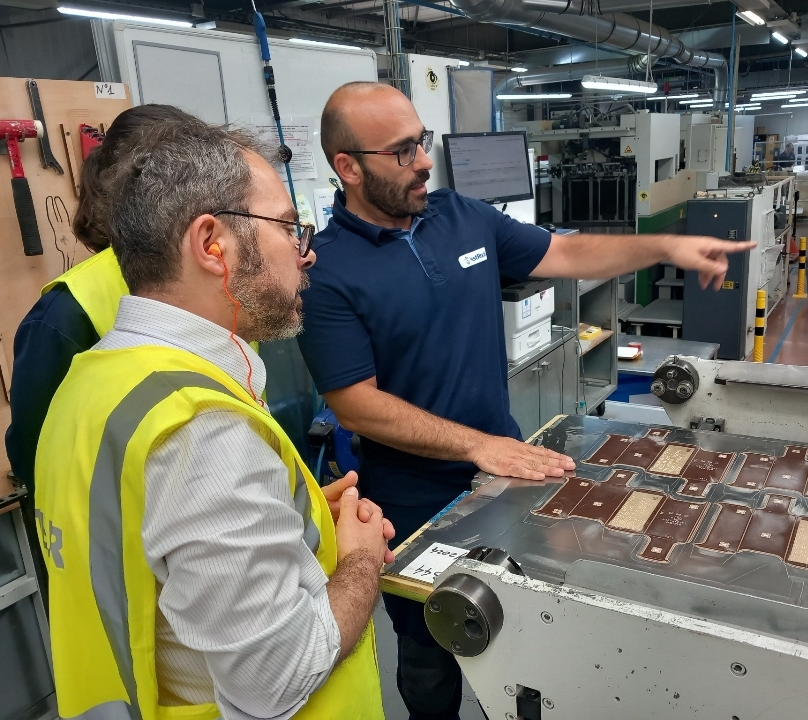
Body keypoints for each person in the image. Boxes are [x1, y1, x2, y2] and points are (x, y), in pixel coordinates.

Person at [297, 81, 755, 720]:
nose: (424, 161)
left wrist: (665, 245)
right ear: (348, 167)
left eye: (421, 141)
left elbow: (564, 252)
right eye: (402, 151)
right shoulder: (325, 271)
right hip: (411, 502)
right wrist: (478, 445)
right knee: (430, 653)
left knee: (523, 632)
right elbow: (356, 405)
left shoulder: (461, 215)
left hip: (505, 474)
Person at [34, 117, 391, 719]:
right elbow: (276, 680)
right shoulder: (202, 429)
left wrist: (294, 521)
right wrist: (359, 560)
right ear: (211, 244)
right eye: (286, 227)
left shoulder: (94, 382)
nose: (305, 253)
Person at [6, 104, 191, 602]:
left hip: (210, 534)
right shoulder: (66, 313)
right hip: (122, 562)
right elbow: (39, 456)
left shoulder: (213, 282)